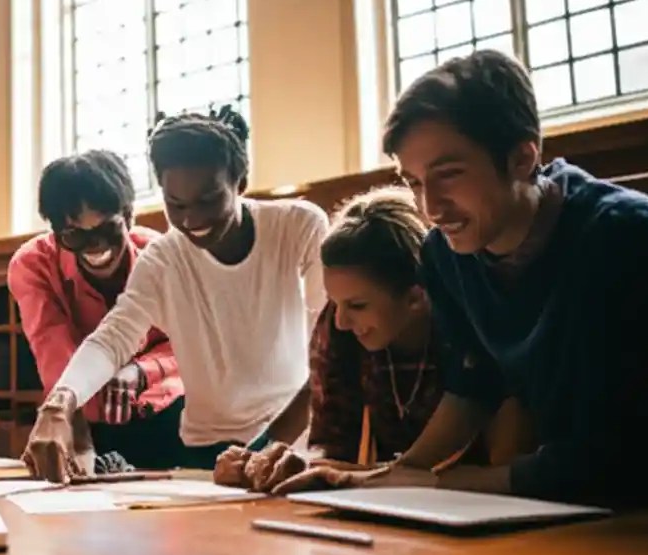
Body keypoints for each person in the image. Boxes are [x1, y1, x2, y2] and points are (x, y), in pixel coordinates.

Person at [277, 50, 648, 507]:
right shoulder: (444, 255)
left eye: (448, 175)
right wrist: (384, 480)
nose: (431, 208)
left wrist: (430, 485)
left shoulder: (627, 234)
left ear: (522, 158)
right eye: (414, 182)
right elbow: (472, 389)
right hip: (574, 508)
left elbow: (616, 465)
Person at [24, 106, 329, 482]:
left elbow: (329, 349)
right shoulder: (162, 259)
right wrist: (58, 406)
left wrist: (266, 447)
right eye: (176, 205)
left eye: (208, 200)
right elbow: (112, 339)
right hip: (204, 454)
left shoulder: (298, 227)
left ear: (241, 180)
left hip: (291, 439)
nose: (192, 220)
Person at [214, 187, 516, 492]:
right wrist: (277, 463)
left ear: (416, 297)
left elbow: (502, 465)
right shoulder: (338, 328)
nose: (341, 322)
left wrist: (352, 473)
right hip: (394, 500)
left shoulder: (467, 328)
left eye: (357, 306)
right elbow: (332, 443)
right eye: (335, 303)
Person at [8, 150, 184, 469]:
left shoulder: (160, 256)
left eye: (106, 230)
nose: (94, 246)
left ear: (129, 217)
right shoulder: (33, 265)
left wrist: (143, 371)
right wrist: (77, 441)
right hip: (85, 417)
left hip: (164, 411)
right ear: (55, 231)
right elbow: (53, 351)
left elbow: (189, 344)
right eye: (75, 235)